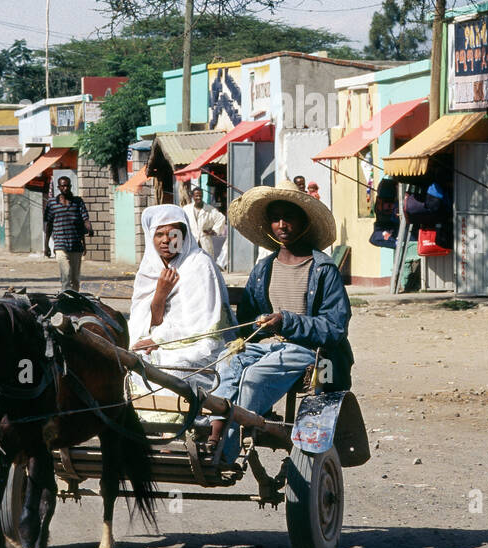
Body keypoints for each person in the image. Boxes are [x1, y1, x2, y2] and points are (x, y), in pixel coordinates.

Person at [213, 182, 352, 462]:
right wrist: (257, 324)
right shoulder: (263, 269)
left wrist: (285, 322)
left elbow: (335, 328)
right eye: (275, 218)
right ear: (268, 226)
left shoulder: (323, 269)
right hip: (268, 347)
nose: (282, 224)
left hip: (308, 351)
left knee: (254, 377)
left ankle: (223, 455)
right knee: (226, 362)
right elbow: (247, 321)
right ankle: (211, 432)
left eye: (289, 217)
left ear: (304, 222)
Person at [128, 204, 231, 387]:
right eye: (159, 234)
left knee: (172, 368)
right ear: (151, 237)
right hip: (160, 339)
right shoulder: (148, 269)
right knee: (131, 360)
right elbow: (146, 322)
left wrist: (160, 340)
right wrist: (160, 293)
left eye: (173, 234)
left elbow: (204, 324)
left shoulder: (198, 264)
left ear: (183, 235)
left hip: (197, 343)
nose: (166, 240)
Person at [43, 174, 93, 292]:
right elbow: (49, 226)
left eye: (67, 186)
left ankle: (75, 300)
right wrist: (46, 246)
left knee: (75, 279)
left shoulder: (78, 202)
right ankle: (66, 301)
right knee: (66, 277)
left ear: (71, 186)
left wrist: (89, 229)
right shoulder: (52, 203)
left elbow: (84, 221)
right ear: (59, 187)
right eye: (63, 186)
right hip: (60, 246)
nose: (65, 188)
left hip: (76, 246)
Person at [181, 184, 226, 261]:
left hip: (205, 241)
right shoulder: (186, 209)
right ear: (192, 196)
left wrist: (214, 231)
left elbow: (221, 218)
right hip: (191, 241)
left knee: (207, 262)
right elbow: (182, 222)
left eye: (200, 195)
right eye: (196, 196)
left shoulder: (209, 209)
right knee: (191, 261)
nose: (198, 197)